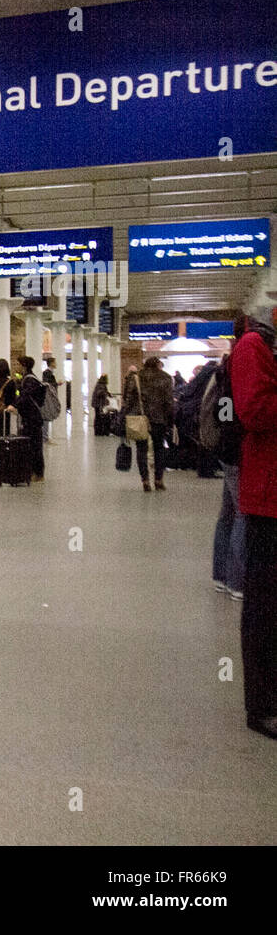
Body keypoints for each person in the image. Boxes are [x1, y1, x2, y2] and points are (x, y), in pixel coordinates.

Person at [230, 309, 277, 739]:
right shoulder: (253, 345)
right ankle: (261, 704)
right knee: (265, 605)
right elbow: (255, 409)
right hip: (266, 497)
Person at [210, 350, 245, 602]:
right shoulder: (239, 384)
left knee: (228, 514)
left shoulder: (223, 381)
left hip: (226, 451)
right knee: (243, 513)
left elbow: (221, 417)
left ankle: (221, 576)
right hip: (238, 454)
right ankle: (237, 581)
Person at [122, 356, 175, 493]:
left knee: (141, 450)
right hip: (159, 419)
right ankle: (158, 480)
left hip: (140, 418)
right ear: (158, 365)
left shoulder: (136, 377)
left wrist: (125, 416)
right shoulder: (166, 378)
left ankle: (145, 480)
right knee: (159, 448)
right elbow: (169, 401)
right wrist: (171, 419)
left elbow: (128, 399)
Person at [8, 355, 47, 482]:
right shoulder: (27, 378)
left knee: (35, 446)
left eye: (18, 364)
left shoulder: (30, 380)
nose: (16, 366)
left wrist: (14, 405)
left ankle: (38, 473)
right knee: (31, 445)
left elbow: (25, 395)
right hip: (30, 417)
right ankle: (32, 472)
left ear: (24, 365)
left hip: (33, 418)